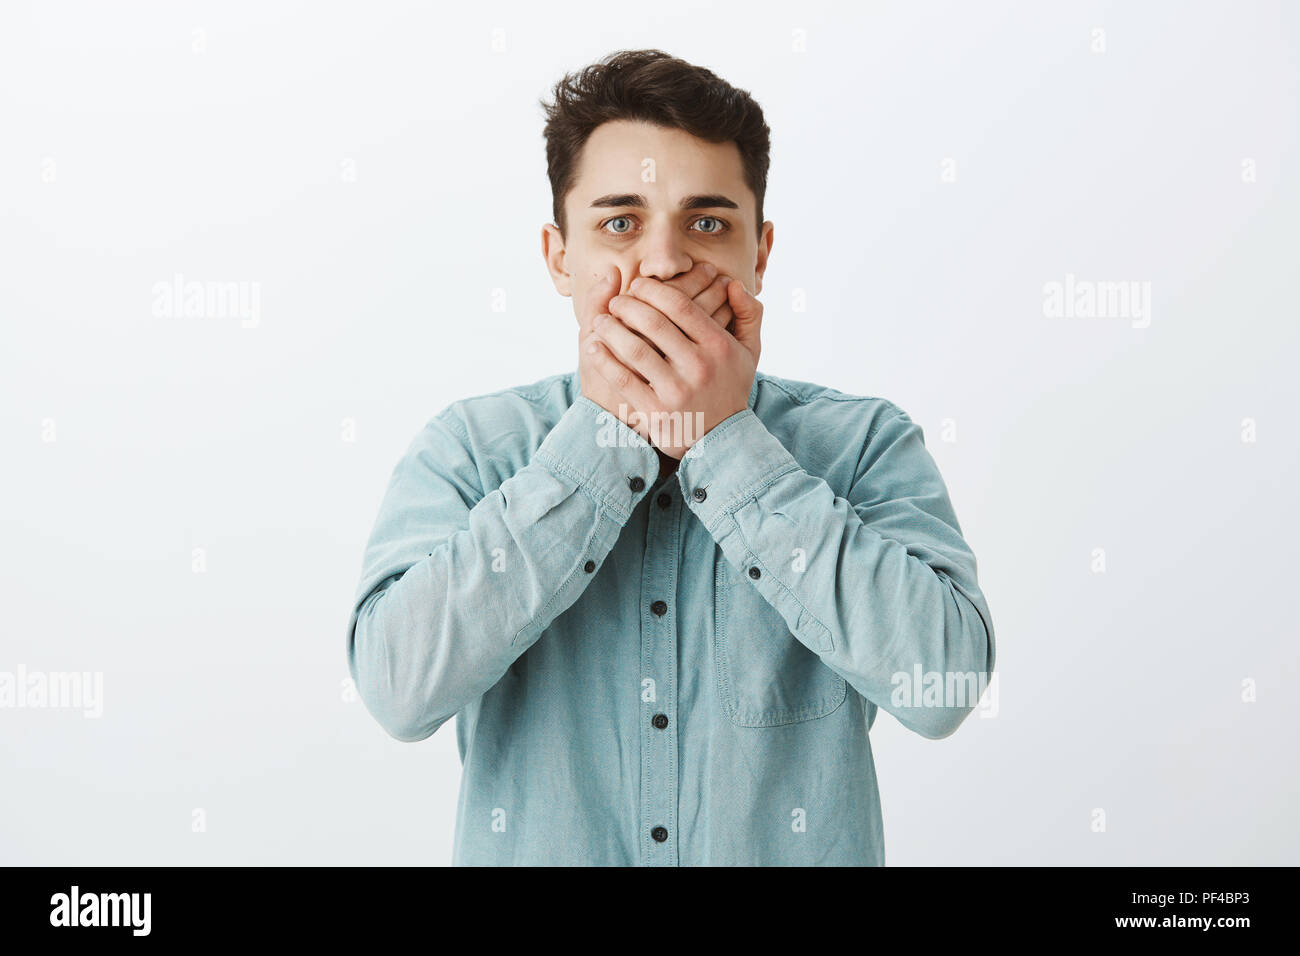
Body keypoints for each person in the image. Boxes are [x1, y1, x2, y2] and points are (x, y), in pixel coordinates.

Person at [346, 49, 996, 866]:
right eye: (621, 222)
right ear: (559, 257)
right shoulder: (472, 449)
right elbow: (399, 692)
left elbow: (945, 687)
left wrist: (726, 445)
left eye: (707, 222)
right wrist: (599, 441)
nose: (663, 262)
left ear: (759, 253)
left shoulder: (862, 444)